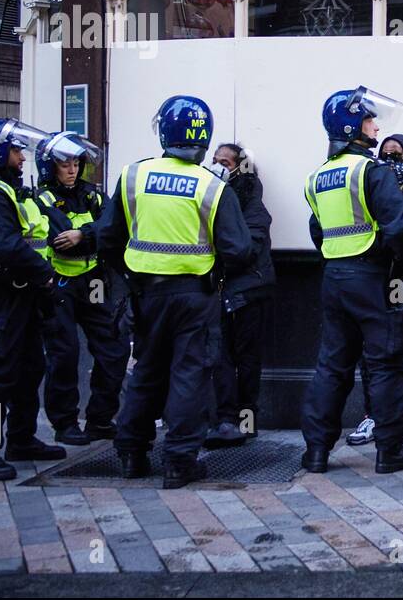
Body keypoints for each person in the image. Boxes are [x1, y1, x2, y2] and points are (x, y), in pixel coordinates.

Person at [95, 95, 254, 489]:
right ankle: (179, 461)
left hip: (144, 294)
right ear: (203, 138)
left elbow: (106, 236)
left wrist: (130, 279)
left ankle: (131, 453)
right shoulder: (213, 187)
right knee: (190, 375)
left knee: (146, 369)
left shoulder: (132, 176)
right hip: (195, 296)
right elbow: (240, 250)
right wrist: (213, 270)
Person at [300, 87, 403, 475]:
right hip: (374, 278)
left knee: (332, 366)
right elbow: (399, 226)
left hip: (334, 279)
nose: (375, 126)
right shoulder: (372, 172)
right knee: (386, 363)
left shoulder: (317, 177)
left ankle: (317, 452)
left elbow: (317, 231)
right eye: (370, 119)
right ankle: (390, 452)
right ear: (354, 126)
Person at [0, 118, 67, 480]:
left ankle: (21, 439)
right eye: (16, 150)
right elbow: (6, 245)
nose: (22, 157)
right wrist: (45, 274)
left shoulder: (14, 190)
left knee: (28, 368)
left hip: (24, 295)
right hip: (1, 295)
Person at [33, 131, 129, 446]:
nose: (72, 169)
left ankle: (100, 419)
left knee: (113, 349)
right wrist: (90, 235)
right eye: (65, 164)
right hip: (58, 284)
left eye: (76, 162)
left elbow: (114, 229)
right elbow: (63, 242)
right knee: (64, 354)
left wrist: (84, 235)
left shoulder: (94, 196)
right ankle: (65, 423)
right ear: (50, 167)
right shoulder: (41, 199)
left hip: (94, 280)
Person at [345, 133, 403, 447]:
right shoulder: (368, 190)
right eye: (385, 154)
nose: (390, 160)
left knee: (402, 356)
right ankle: (373, 416)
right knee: (370, 355)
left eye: (397, 155)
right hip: (371, 282)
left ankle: (398, 421)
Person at [205, 143, 275, 448]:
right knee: (220, 357)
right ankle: (224, 420)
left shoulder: (253, 206)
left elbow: (247, 249)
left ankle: (246, 422)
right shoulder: (209, 198)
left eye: (225, 162)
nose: (218, 166)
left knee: (246, 358)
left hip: (247, 292)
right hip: (217, 291)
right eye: (215, 160)